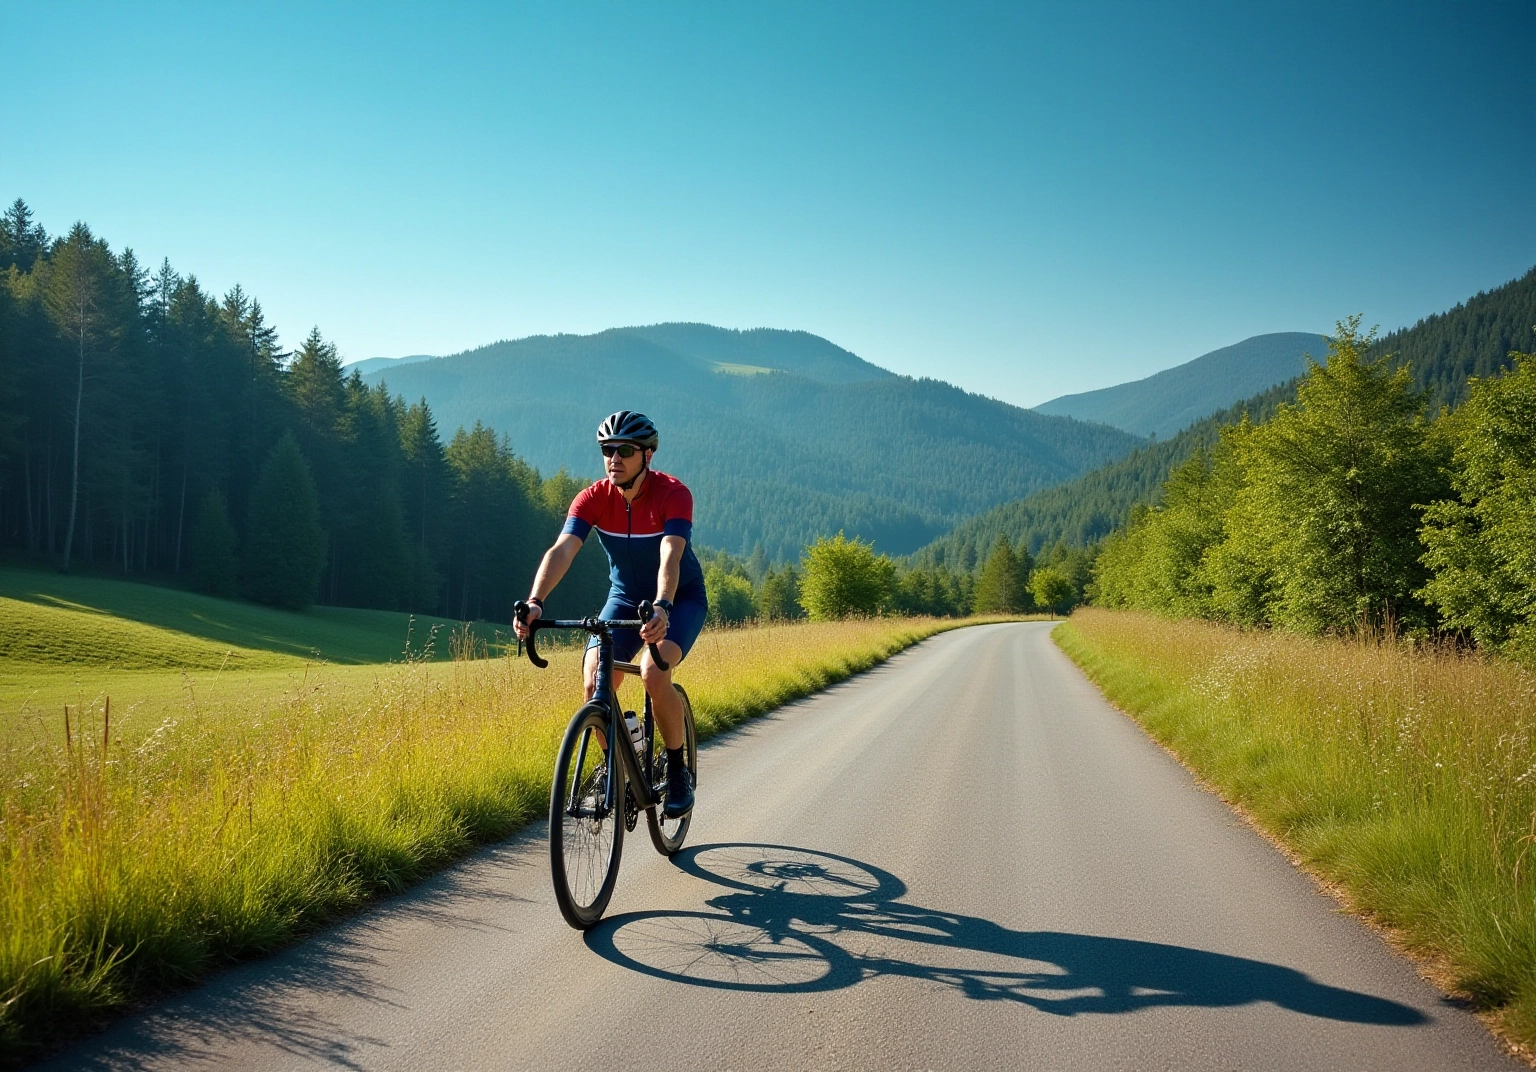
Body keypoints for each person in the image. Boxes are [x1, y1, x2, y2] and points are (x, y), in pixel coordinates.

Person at [513, 410, 707, 817]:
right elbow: (562, 551)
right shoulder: (593, 498)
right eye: (607, 450)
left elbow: (671, 555)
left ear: (647, 456)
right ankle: (617, 768)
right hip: (623, 598)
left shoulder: (673, 494)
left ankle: (676, 770)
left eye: (625, 450)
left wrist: (663, 605)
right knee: (595, 682)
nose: (613, 458)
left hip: (678, 598)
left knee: (655, 674)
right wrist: (535, 601)